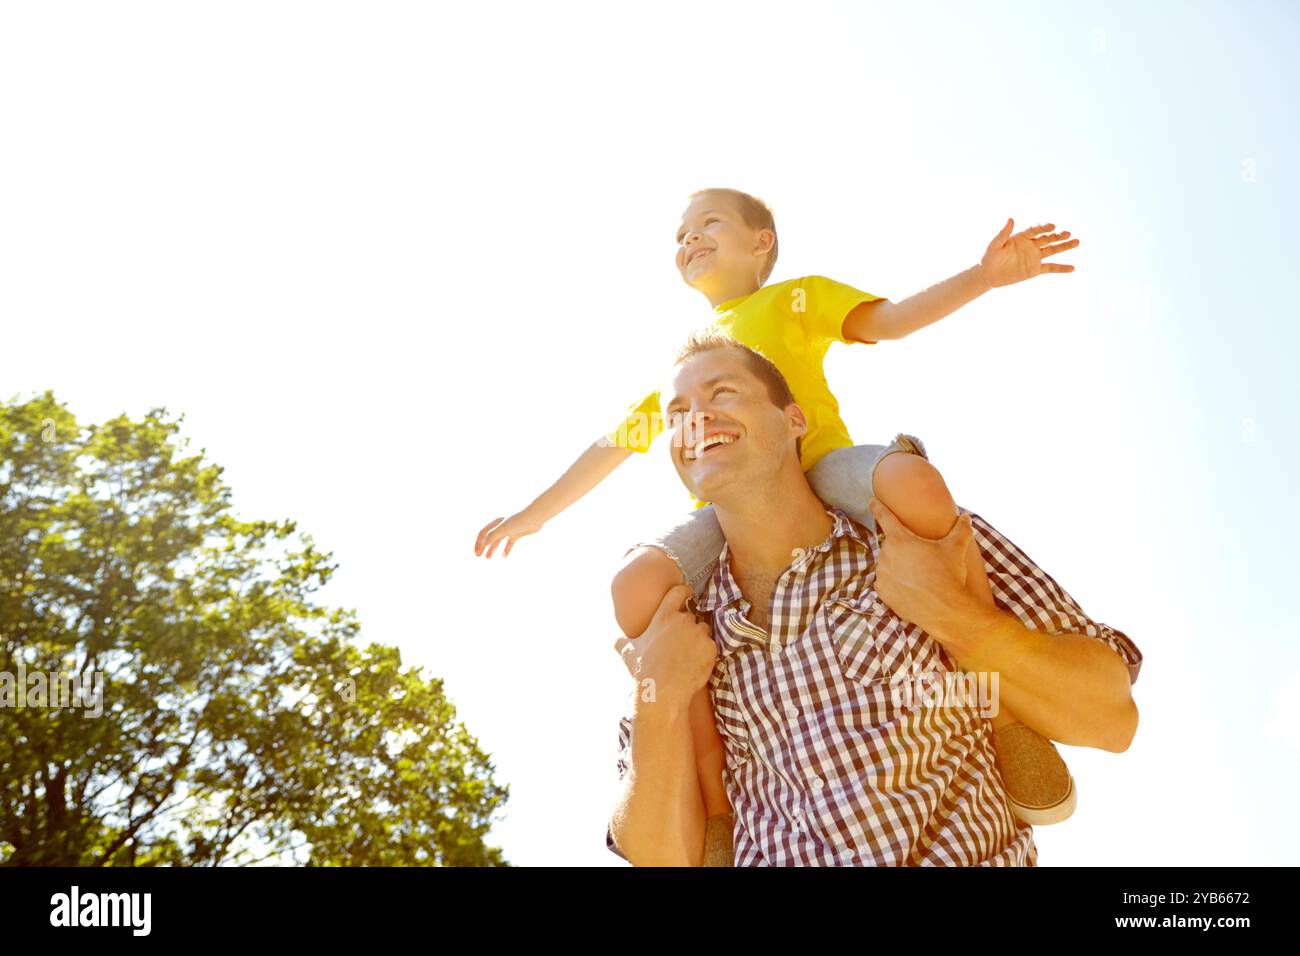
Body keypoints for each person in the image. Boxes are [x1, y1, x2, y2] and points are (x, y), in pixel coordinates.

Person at [475, 187, 1084, 825]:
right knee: (637, 584)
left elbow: (892, 319)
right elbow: (611, 446)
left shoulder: (794, 298)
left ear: (760, 241)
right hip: (731, 509)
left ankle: (1009, 718)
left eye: (708, 223)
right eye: (680, 233)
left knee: (912, 481)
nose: (689, 238)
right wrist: (533, 515)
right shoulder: (681, 370)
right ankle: (715, 813)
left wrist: (984, 277)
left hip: (820, 470)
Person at [606, 335, 1142, 865]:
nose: (696, 419)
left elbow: (1109, 718)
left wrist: (952, 613)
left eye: (722, 393)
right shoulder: (677, 627)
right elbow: (660, 856)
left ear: (795, 420)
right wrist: (659, 698)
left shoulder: (920, 540)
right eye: (678, 412)